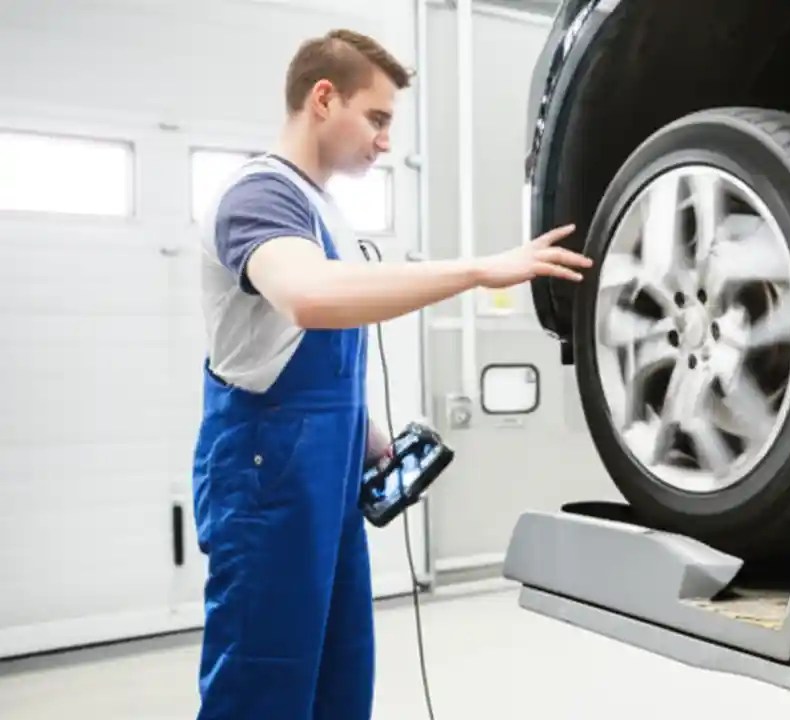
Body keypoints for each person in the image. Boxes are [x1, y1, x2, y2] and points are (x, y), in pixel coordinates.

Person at [189, 28, 590, 720]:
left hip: (329, 474)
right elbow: (309, 300)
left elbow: (284, 342)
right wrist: (476, 270)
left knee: (340, 681)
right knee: (264, 686)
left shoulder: (320, 209)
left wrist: (367, 431)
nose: (383, 141)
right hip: (268, 478)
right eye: (376, 118)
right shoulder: (260, 197)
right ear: (323, 99)